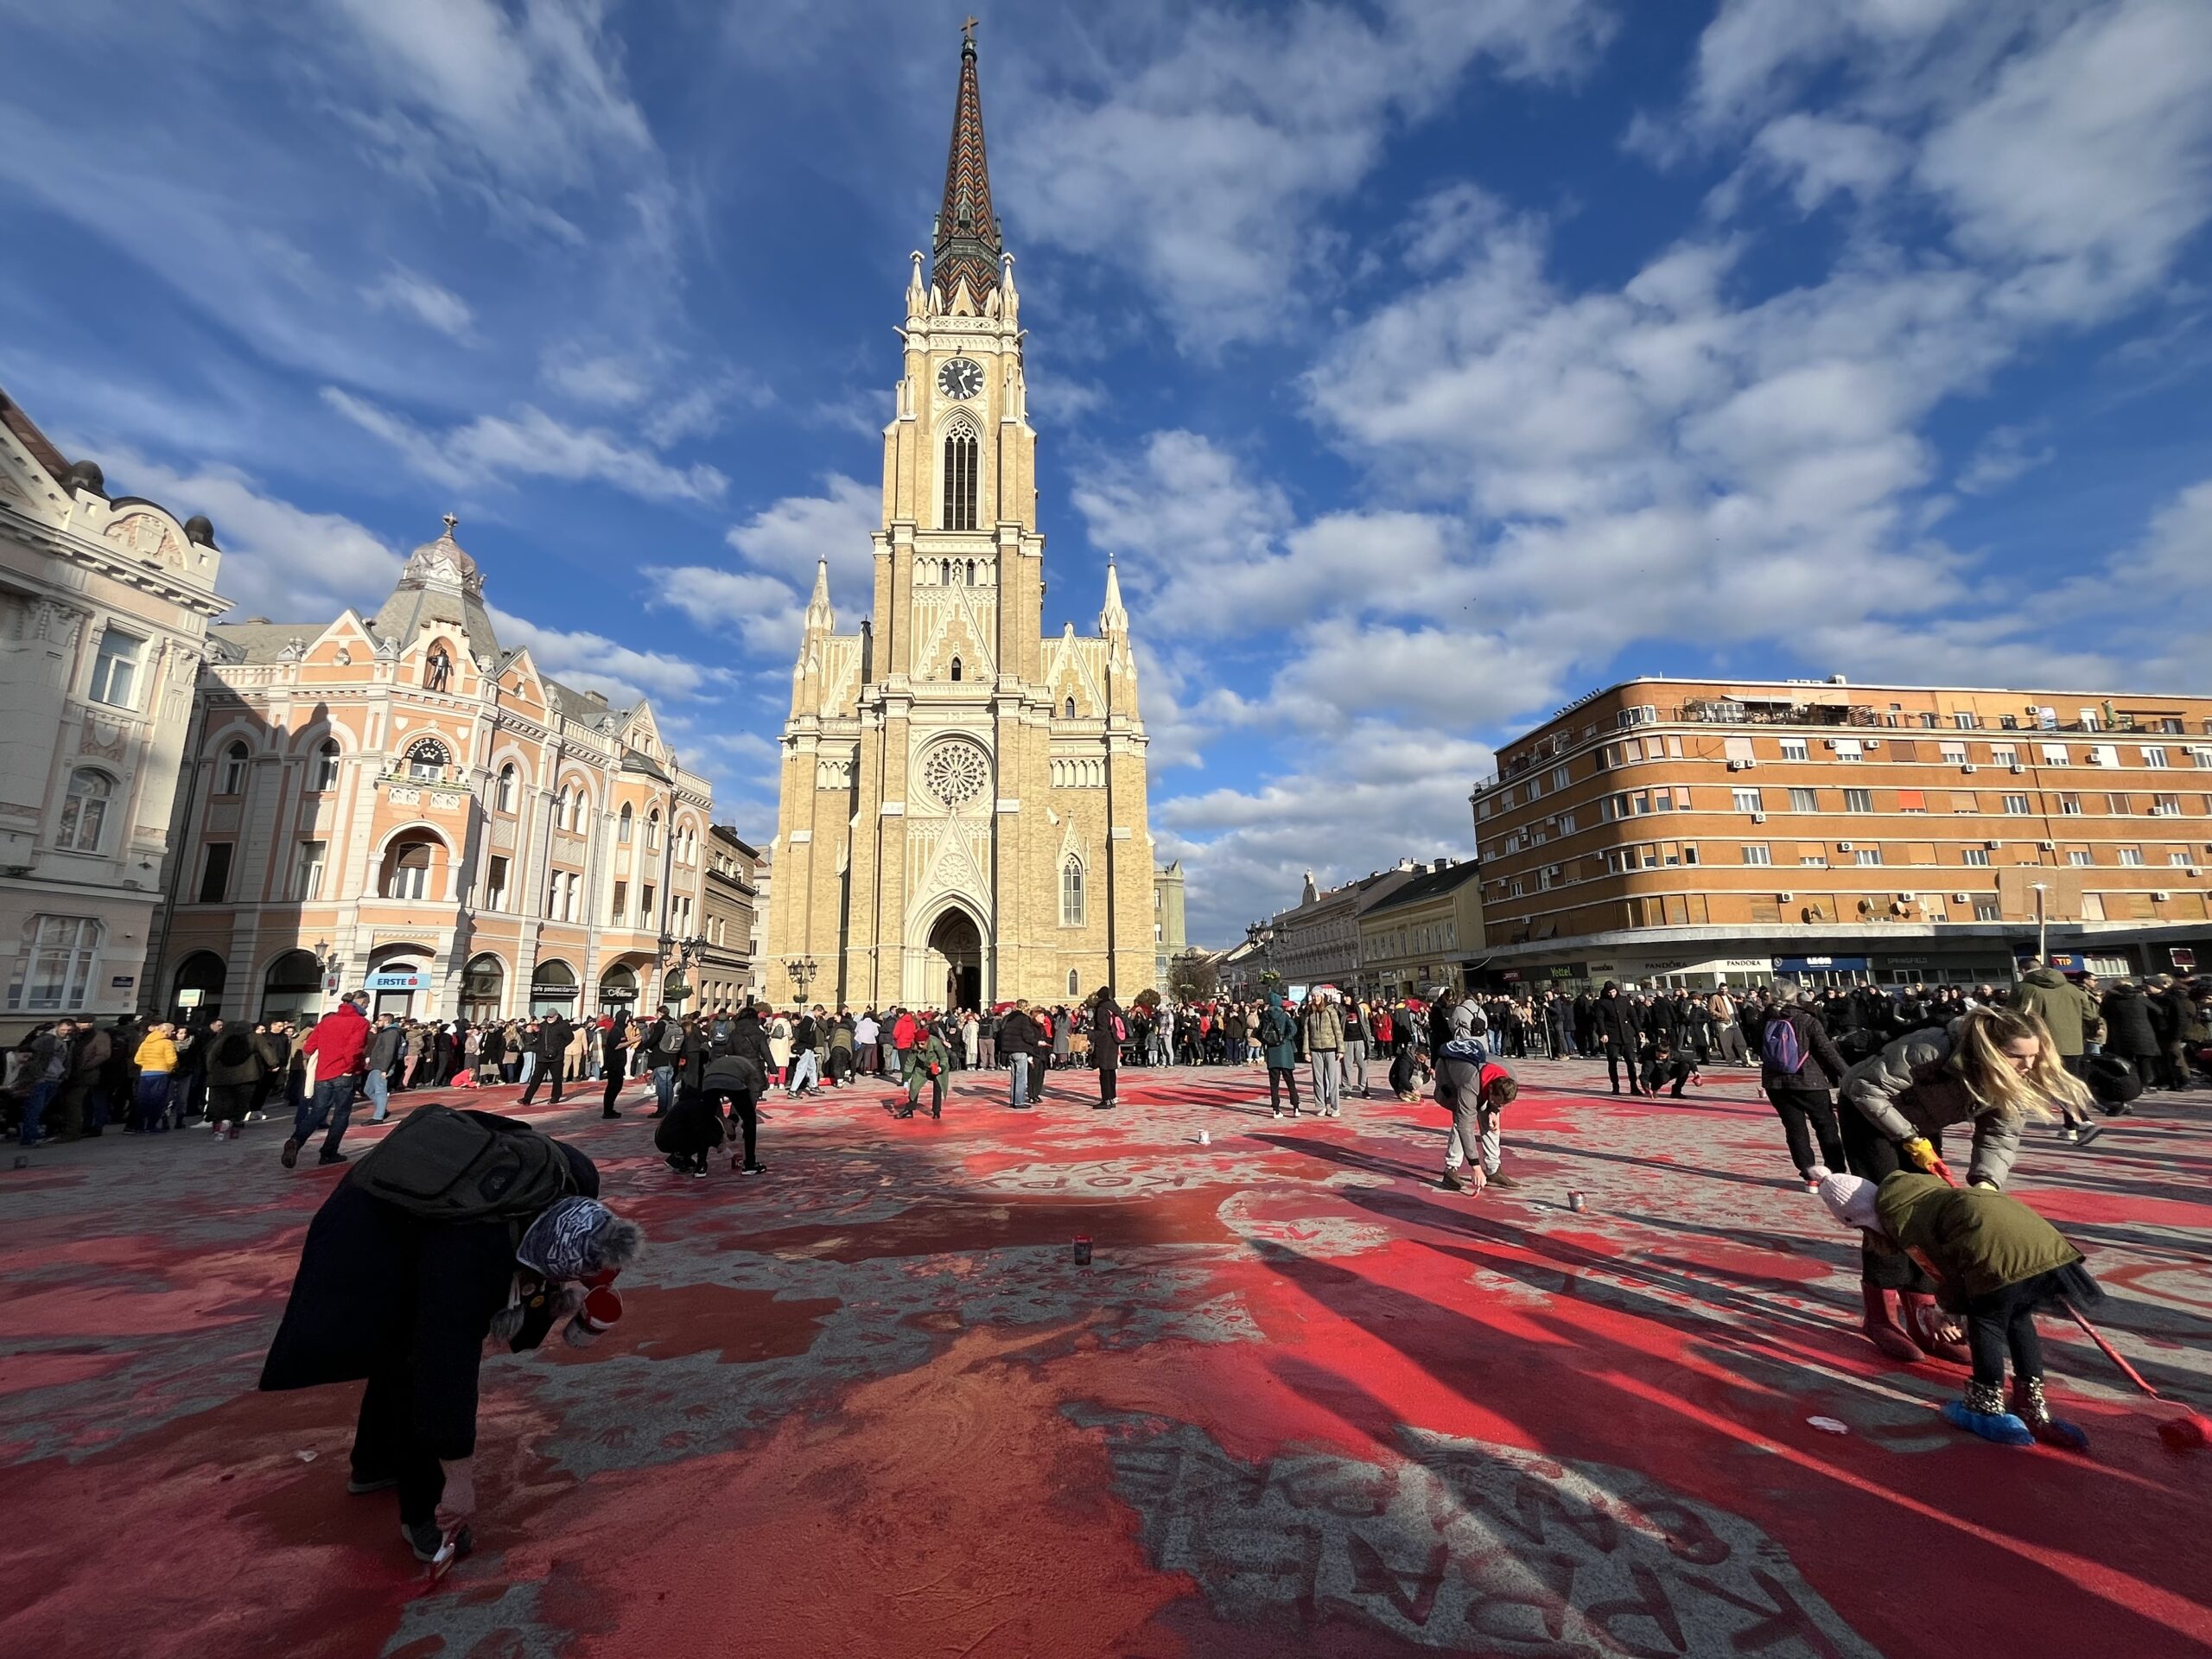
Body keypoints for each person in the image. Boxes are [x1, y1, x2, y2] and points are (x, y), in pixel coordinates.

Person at [259, 1109, 642, 1560]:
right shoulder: (472, 1255)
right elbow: (446, 1365)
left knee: (402, 1351)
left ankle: (374, 1463)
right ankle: (424, 1514)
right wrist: (459, 1477)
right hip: (372, 1226)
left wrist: (554, 1294)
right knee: (411, 1353)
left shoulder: (575, 1173)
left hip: (430, 1204)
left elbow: (502, 1129)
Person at [1839, 1003, 2092, 1364]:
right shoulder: (1932, 1048)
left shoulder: (2015, 1075)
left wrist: (1986, 1184)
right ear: (1990, 1049)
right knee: (1890, 1212)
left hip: (1921, 1124)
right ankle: (1880, 1316)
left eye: (2035, 1056)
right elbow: (1865, 1088)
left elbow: (1999, 1133)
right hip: (1868, 1114)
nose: (2029, 1065)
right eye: (2018, 1056)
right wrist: (1909, 1138)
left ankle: (1923, 1312)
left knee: (1936, 1216)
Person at [1820, 1170, 2096, 1448]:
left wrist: (1946, 1313)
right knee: (2018, 1318)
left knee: (1984, 1320)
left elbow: (1944, 1274)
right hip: (2040, 1245)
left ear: (1863, 1219)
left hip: (1997, 1252)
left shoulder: (1901, 1222)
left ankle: (1985, 1405)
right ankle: (2031, 1404)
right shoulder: (1917, 1194)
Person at [1757, 981, 1848, 1191]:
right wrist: (1848, 1075)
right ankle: (1836, 1172)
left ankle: (1810, 1175)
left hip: (1776, 1083)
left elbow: (1757, 1047)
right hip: (1810, 1080)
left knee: (1795, 1129)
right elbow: (1827, 1051)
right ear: (1796, 995)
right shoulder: (1807, 1020)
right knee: (1826, 1126)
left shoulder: (1765, 1020)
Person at [2012, 959, 2099, 1136]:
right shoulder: (2073, 989)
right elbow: (2091, 1015)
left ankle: (2081, 1120)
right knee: (2067, 1082)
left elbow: (2014, 1017)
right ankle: (2071, 1126)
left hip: (2041, 1043)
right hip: (2073, 1043)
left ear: (2022, 970)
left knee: (2049, 1083)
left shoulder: (2024, 989)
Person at [1436, 1008, 1518, 1193]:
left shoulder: (1510, 1075)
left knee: (1491, 1123)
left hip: (1480, 1076)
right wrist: (1475, 1166)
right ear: (1490, 1089)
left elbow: (1499, 1098)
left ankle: (1494, 1170)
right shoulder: (1469, 1084)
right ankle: (1451, 1169)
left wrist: (1495, 1111)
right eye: (1496, 1101)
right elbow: (1466, 1127)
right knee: (1461, 1121)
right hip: (1449, 1077)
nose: (1499, 1105)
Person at [285, 995, 372, 1168]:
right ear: (362, 1003)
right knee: (341, 1114)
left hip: (323, 1073)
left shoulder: (328, 1020)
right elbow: (354, 1048)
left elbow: (309, 1047)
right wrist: (349, 1068)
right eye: (367, 1004)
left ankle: (296, 1139)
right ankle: (328, 1152)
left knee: (317, 1111)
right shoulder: (360, 1022)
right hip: (344, 1073)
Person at [1592, 982, 1644, 1096]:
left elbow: (1633, 1016)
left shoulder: (1624, 1000)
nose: (1612, 994)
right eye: (1609, 993)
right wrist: (1603, 1033)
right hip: (1612, 1036)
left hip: (1626, 1035)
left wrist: (1639, 1030)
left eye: (1614, 992)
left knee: (1631, 1062)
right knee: (1613, 1061)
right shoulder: (1602, 1003)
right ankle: (1615, 1086)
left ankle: (1634, 1086)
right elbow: (1599, 1019)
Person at [1258, 992, 1301, 1119]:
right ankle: (1296, 1107)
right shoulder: (1284, 1015)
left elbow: (1260, 1033)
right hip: (1285, 1050)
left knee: (1274, 1083)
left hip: (1272, 1051)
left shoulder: (1265, 1016)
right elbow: (1293, 1029)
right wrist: (1285, 1038)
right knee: (1290, 1081)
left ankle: (1276, 1109)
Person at [1304, 989, 1345, 1118]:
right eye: (1314, 996)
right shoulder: (1310, 1011)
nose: (1316, 998)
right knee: (1318, 1080)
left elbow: (1337, 1030)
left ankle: (1335, 1107)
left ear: (1322, 997)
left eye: (1318, 996)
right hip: (1315, 1049)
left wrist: (1341, 1049)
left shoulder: (1330, 1010)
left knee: (1333, 1080)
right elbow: (1306, 1032)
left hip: (1330, 1048)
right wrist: (1306, 1051)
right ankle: (1321, 1106)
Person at [519, 1012, 569, 1105]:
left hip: (556, 1057)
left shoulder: (563, 1026)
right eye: (547, 1017)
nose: (548, 1018)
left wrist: (559, 1048)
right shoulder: (543, 1025)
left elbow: (570, 1038)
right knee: (536, 1078)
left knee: (557, 1078)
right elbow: (537, 1038)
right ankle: (527, 1099)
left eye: (550, 1017)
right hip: (542, 1057)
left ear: (556, 1016)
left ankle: (555, 1097)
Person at [999, 999, 1039, 1109]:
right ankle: (1019, 1102)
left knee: (1014, 1077)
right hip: (1020, 1050)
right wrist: (1036, 1042)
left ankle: (1013, 1100)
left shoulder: (1007, 1018)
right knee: (1021, 1078)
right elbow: (1027, 1036)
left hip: (1009, 1051)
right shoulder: (1023, 1018)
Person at [363, 1016, 404, 1123]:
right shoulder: (386, 1032)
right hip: (376, 1065)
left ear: (387, 1021)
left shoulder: (391, 1033)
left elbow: (389, 1052)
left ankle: (378, 1116)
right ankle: (382, 1110)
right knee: (368, 1090)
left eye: (380, 1020)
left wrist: (385, 1068)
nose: (377, 1022)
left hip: (382, 1066)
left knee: (380, 1090)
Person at [1092, 988, 1124, 1110]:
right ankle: (1112, 1097)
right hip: (1114, 1041)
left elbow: (1102, 1028)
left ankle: (1106, 1100)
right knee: (1111, 1071)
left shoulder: (1102, 1008)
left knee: (1104, 1072)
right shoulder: (1115, 1007)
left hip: (1104, 1042)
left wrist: (1090, 1035)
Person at [600, 1017, 629, 1119]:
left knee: (617, 1086)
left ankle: (610, 1109)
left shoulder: (620, 1030)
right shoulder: (616, 1031)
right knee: (613, 1087)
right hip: (614, 1064)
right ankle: (608, 1111)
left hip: (619, 1064)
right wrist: (632, 1041)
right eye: (627, 1018)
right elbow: (616, 1046)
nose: (628, 1021)